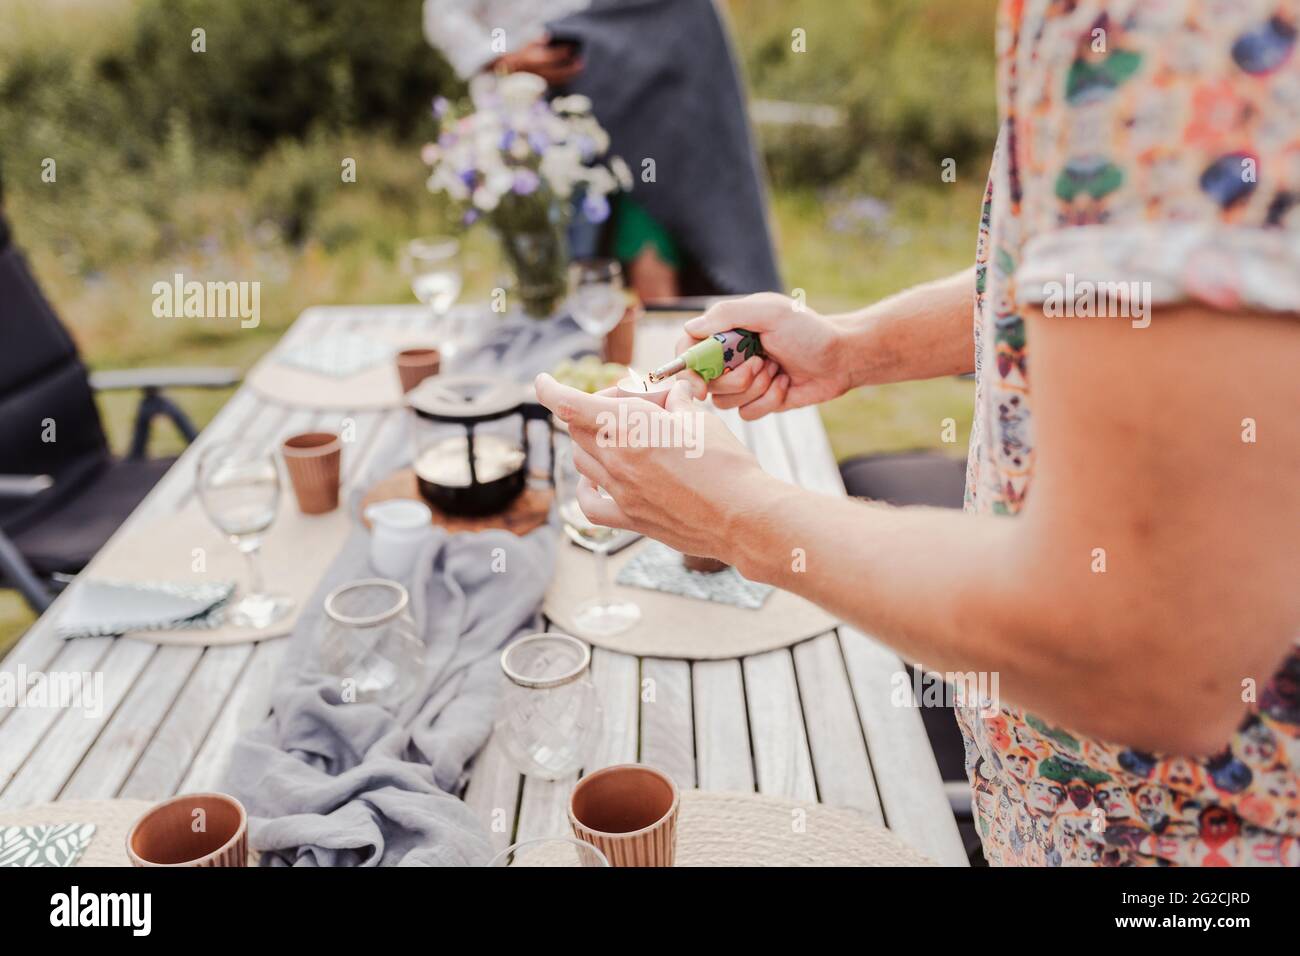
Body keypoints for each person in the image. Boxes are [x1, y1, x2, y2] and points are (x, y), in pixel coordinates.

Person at [535, 1, 1300, 866]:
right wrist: (856, 349)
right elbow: (1088, 283)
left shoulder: (1154, 26)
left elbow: (1149, 655)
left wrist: (733, 515)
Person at [424, 0, 780, 300]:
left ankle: (662, 362)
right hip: (532, 120)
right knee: (553, 272)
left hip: (627, 98)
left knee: (648, 244)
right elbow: (443, 15)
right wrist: (506, 58)